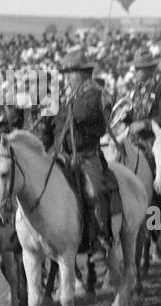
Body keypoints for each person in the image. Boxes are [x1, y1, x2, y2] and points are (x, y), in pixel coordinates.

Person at [48, 50, 116, 256]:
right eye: (66, 74)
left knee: (94, 192)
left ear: (84, 74)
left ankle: (101, 237)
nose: (68, 78)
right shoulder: (73, 94)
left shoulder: (93, 93)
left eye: (71, 73)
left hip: (87, 156)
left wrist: (58, 112)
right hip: (66, 155)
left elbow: (77, 115)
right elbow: (58, 122)